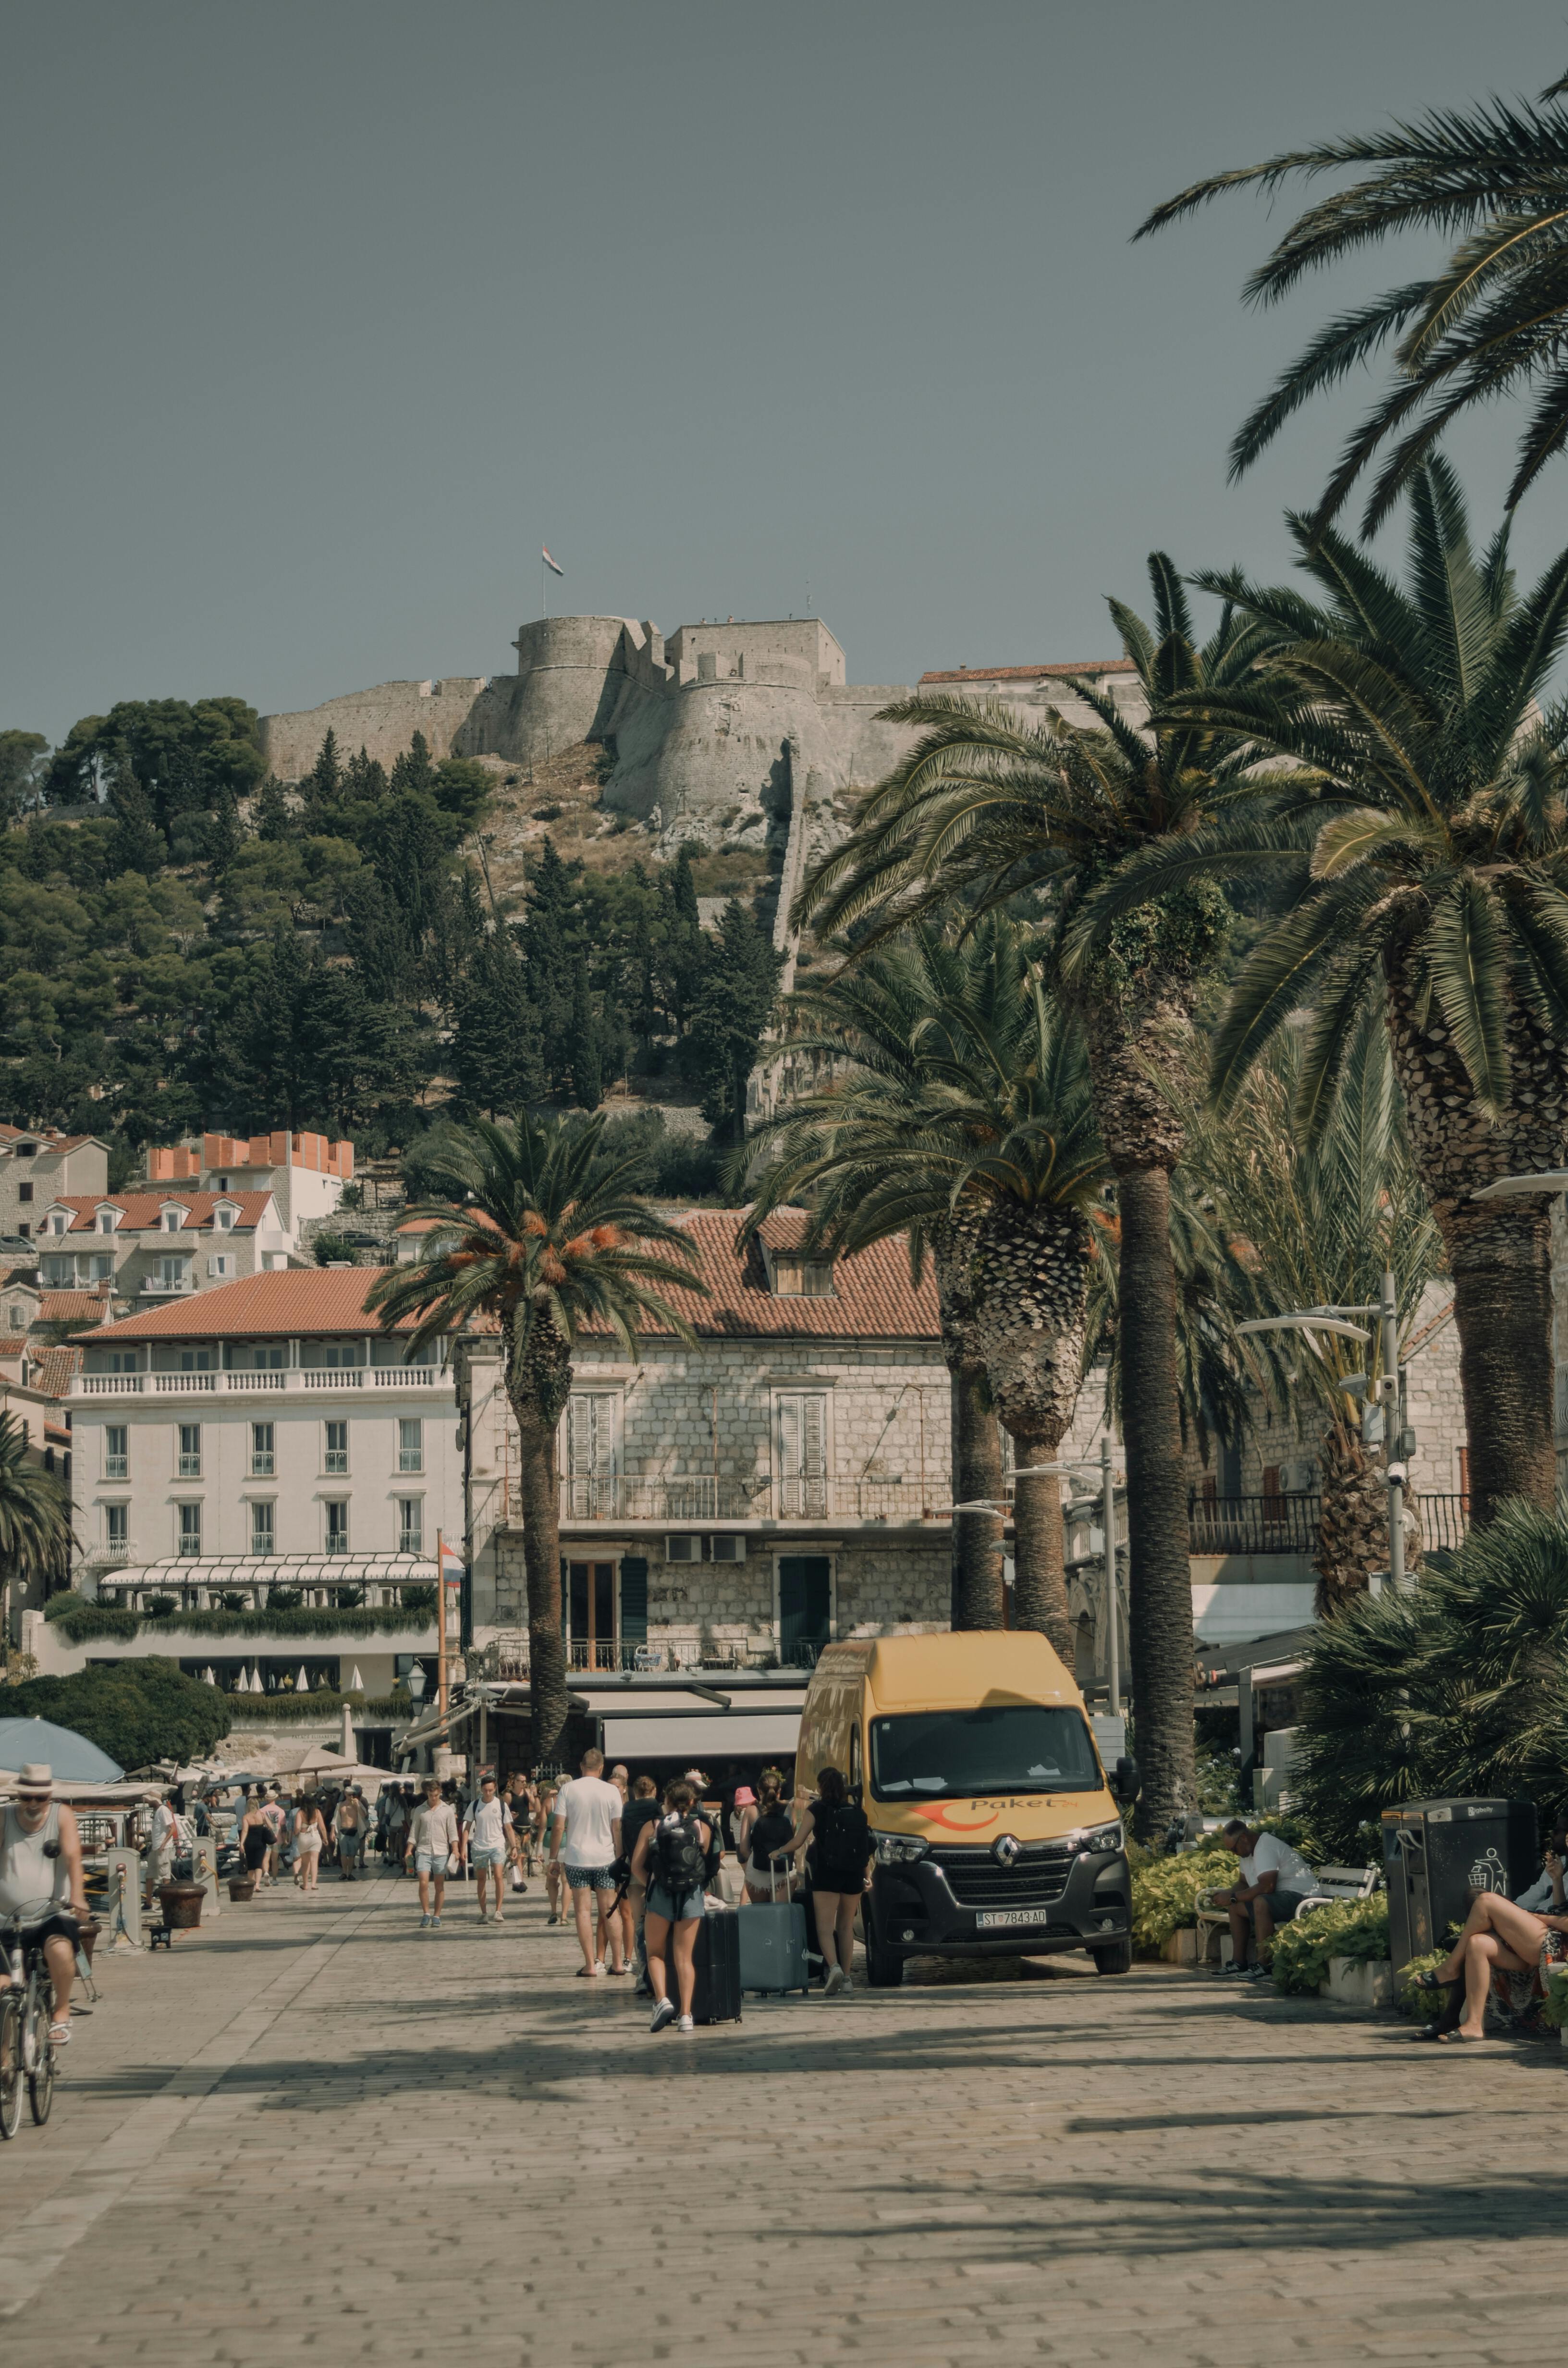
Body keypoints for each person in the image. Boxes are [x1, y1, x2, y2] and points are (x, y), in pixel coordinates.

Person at [0, 1765, 87, 2050]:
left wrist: (78, 1895)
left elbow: (73, 1857)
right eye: (27, 1797)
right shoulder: (3, 1817)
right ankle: (4, 2064)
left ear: (49, 1796)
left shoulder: (62, 1816)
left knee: (61, 1951)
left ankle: (61, 2011)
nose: (33, 1804)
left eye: (41, 1798)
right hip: (7, 1919)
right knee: (2, 1991)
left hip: (51, 1913)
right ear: (19, 1796)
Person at [1415, 1882, 1568, 2042]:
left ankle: (1451, 1967)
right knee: (1477, 1943)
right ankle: (1473, 2025)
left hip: (1556, 1945)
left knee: (1486, 1901)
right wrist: (1556, 1879)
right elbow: (1562, 1908)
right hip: (1539, 1942)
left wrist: (1535, 1916)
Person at [781, 1767, 872, 1995]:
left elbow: (798, 1841)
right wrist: (868, 1876)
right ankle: (849, 1979)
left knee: (824, 1927)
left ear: (821, 1787)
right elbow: (863, 1849)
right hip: (853, 1875)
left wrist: (778, 1851)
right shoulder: (856, 1812)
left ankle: (833, 1967)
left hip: (826, 1874)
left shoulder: (817, 1810)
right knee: (846, 1928)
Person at [633, 1778, 713, 2034]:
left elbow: (635, 1866)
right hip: (691, 1895)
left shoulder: (653, 1826)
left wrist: (653, 1884)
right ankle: (686, 2016)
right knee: (684, 1959)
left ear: (666, 1800)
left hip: (661, 1894)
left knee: (656, 1953)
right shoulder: (702, 1827)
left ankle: (662, 2001)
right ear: (693, 1802)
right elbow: (702, 1860)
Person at [548, 1748, 625, 1977]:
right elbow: (617, 1828)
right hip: (605, 1858)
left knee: (583, 1911)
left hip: (577, 1858)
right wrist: (620, 1857)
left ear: (581, 1766)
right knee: (610, 1910)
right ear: (601, 1768)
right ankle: (619, 1963)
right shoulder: (612, 1791)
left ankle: (590, 1965)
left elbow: (559, 1826)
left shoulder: (568, 1790)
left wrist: (553, 1858)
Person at [1210, 1819, 1317, 1979]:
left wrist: (1232, 1897)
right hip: (1279, 1899)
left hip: (1302, 1898)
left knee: (1261, 1901)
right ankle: (1238, 1962)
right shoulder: (1246, 1852)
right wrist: (1225, 1896)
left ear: (1244, 1838)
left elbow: (1267, 1887)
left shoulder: (1265, 1847)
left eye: (1234, 1849)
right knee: (1235, 1906)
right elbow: (1243, 1883)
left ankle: (1264, 1965)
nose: (1234, 1853)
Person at [620, 1774, 662, 1987]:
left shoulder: (626, 1809)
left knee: (639, 1922)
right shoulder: (657, 1807)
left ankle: (643, 1974)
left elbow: (620, 1839)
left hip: (634, 1868)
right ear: (654, 1791)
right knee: (659, 1920)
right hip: (654, 1869)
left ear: (634, 1792)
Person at [464, 1774, 516, 1924]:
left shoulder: (501, 1805)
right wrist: (462, 1847)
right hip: (479, 1846)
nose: (488, 1793)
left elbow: (509, 1828)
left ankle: (498, 1911)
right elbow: (467, 1828)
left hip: (497, 1845)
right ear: (481, 1789)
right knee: (481, 1879)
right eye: (486, 1790)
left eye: (491, 1790)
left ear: (495, 1790)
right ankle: (484, 1912)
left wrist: (514, 1846)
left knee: (499, 1876)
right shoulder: (474, 1805)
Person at [406, 1777, 459, 1928]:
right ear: (427, 1794)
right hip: (424, 1850)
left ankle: (437, 1915)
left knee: (439, 1885)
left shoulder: (447, 1810)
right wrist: (409, 1850)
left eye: (436, 1795)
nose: (434, 1798)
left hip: (441, 1851)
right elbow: (414, 1832)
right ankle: (426, 1913)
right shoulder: (420, 1810)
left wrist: (455, 1849)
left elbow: (453, 1833)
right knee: (423, 1882)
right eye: (431, 1796)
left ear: (440, 1793)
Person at [741, 1776, 795, 1906]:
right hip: (783, 1869)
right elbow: (792, 1838)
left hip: (757, 1872)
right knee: (780, 1915)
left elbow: (744, 1849)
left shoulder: (751, 1811)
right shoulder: (789, 1809)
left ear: (759, 1790)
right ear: (779, 1790)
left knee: (761, 1915)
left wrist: (757, 1859)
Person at [145, 1788, 182, 1908]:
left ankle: (166, 1902)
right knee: (149, 1875)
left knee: (165, 1875)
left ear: (154, 1801)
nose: (147, 1803)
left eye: (149, 1801)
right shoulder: (156, 1811)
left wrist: (164, 1844)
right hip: (156, 1847)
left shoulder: (163, 1810)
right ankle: (148, 1902)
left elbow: (172, 1828)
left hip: (163, 1848)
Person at [292, 1793, 328, 1894]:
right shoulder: (317, 1812)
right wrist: (325, 1838)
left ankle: (305, 1884)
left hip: (304, 1837)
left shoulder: (300, 1813)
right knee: (314, 1861)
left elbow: (298, 1828)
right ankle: (313, 1884)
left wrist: (295, 1834)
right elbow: (323, 1827)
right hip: (315, 1837)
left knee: (305, 1862)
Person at [333, 1787, 367, 1882]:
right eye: (349, 1795)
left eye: (353, 1794)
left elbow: (364, 1815)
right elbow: (335, 1819)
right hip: (343, 1830)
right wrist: (333, 1831)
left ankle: (350, 1873)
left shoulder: (357, 1804)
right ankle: (344, 1872)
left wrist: (357, 1806)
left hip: (354, 1831)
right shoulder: (340, 1805)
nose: (351, 1796)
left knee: (352, 1854)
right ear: (345, 1794)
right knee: (344, 1854)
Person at [239, 1794, 273, 1886]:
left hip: (249, 1843)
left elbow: (245, 1831)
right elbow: (271, 1826)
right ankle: (258, 1884)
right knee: (259, 1865)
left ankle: (252, 1884)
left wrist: (242, 1843)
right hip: (261, 1843)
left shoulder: (246, 1817)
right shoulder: (262, 1815)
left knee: (251, 1865)